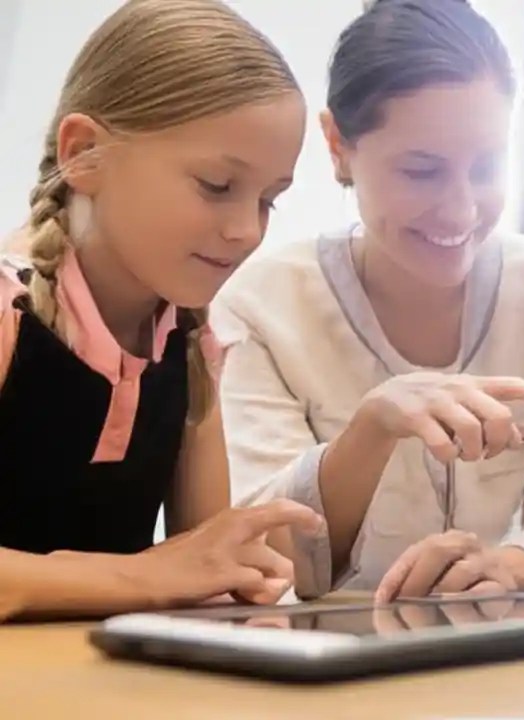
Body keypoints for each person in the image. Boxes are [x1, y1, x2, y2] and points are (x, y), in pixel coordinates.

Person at [214, 0, 524, 602]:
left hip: (490, 654)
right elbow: (267, 550)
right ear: (338, 145)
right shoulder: (261, 303)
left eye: (487, 166)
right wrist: (372, 428)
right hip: (315, 666)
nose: (461, 210)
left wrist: (506, 568)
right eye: (422, 171)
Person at [0, 0, 317, 622]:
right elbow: (167, 570)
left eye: (269, 200)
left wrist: (240, 579)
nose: (246, 231)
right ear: (85, 152)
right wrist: (144, 575)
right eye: (217, 186)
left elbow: (202, 566)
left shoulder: (191, 344)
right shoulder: (11, 313)